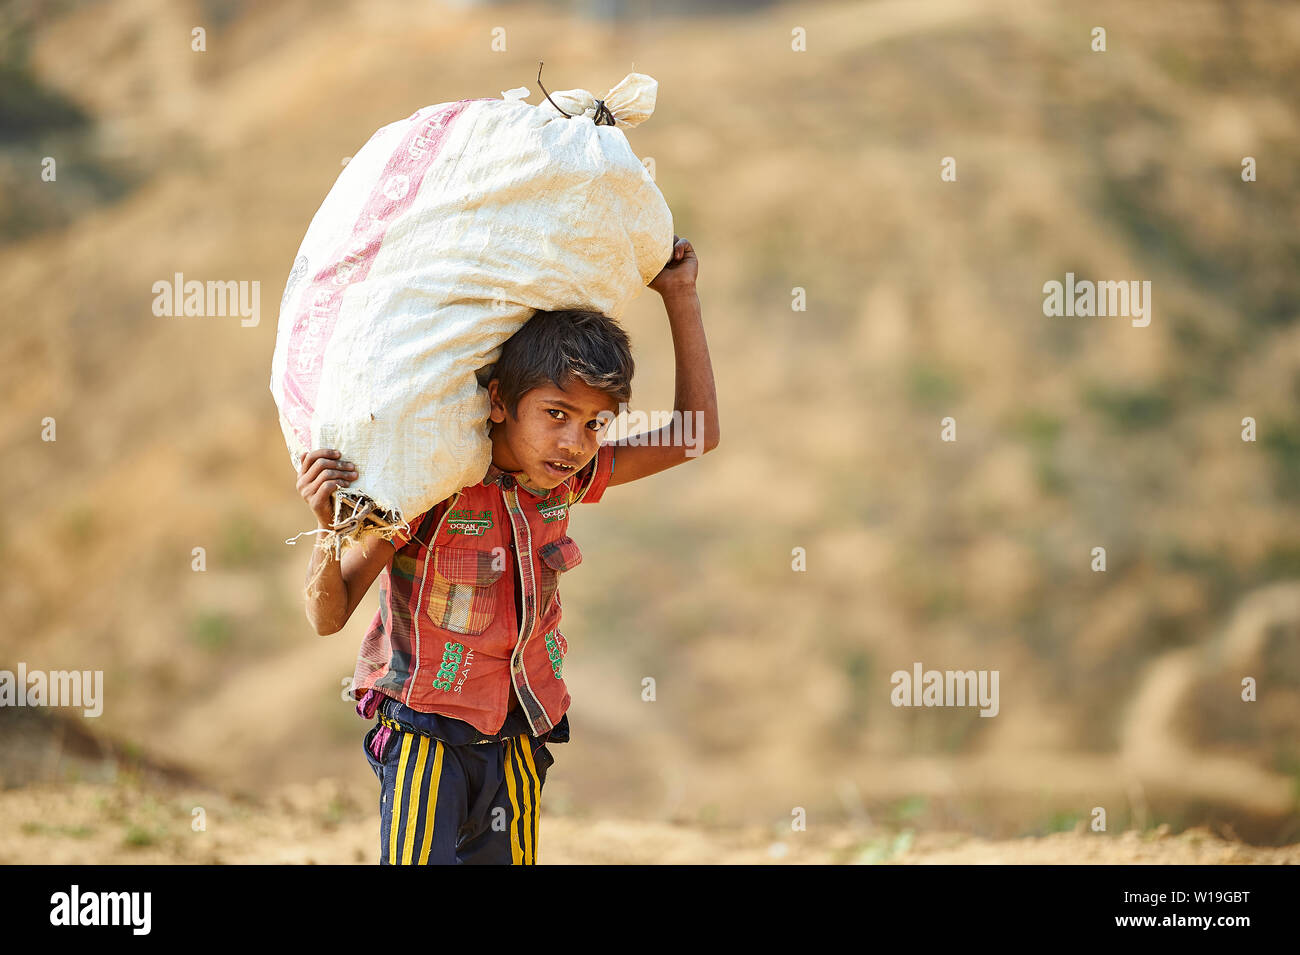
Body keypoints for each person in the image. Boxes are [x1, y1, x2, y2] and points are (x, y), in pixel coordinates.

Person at [296, 236, 717, 864]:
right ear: (498, 402)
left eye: (595, 423)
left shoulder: (568, 480)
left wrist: (679, 296)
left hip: (519, 728)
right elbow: (329, 616)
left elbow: (697, 434)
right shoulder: (430, 487)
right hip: (425, 735)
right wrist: (328, 530)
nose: (575, 442)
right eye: (556, 413)